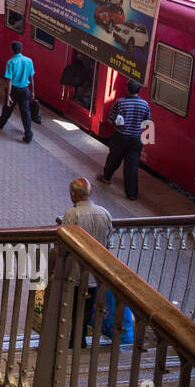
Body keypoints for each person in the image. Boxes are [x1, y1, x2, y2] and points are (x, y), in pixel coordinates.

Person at [59, 178, 113, 347]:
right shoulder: (105, 213)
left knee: (72, 306)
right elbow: (108, 241)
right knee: (87, 306)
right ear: (90, 193)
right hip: (96, 271)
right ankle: (80, 339)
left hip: (75, 271)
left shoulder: (72, 214)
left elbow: (65, 241)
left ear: (73, 194)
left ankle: (72, 339)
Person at [99, 80, 151, 199]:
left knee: (114, 159)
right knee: (132, 166)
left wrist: (119, 122)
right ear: (139, 91)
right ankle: (131, 194)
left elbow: (110, 120)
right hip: (136, 139)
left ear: (127, 89)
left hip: (120, 137)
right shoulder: (145, 104)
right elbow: (147, 122)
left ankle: (106, 178)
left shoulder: (120, 102)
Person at [0, 41, 35, 144]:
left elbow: (9, 80)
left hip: (14, 90)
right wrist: (33, 92)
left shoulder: (11, 62)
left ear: (11, 50)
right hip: (25, 90)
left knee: (7, 108)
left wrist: (9, 95)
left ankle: (0, 124)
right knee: (26, 113)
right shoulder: (29, 61)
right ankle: (28, 135)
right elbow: (32, 78)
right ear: (21, 49)